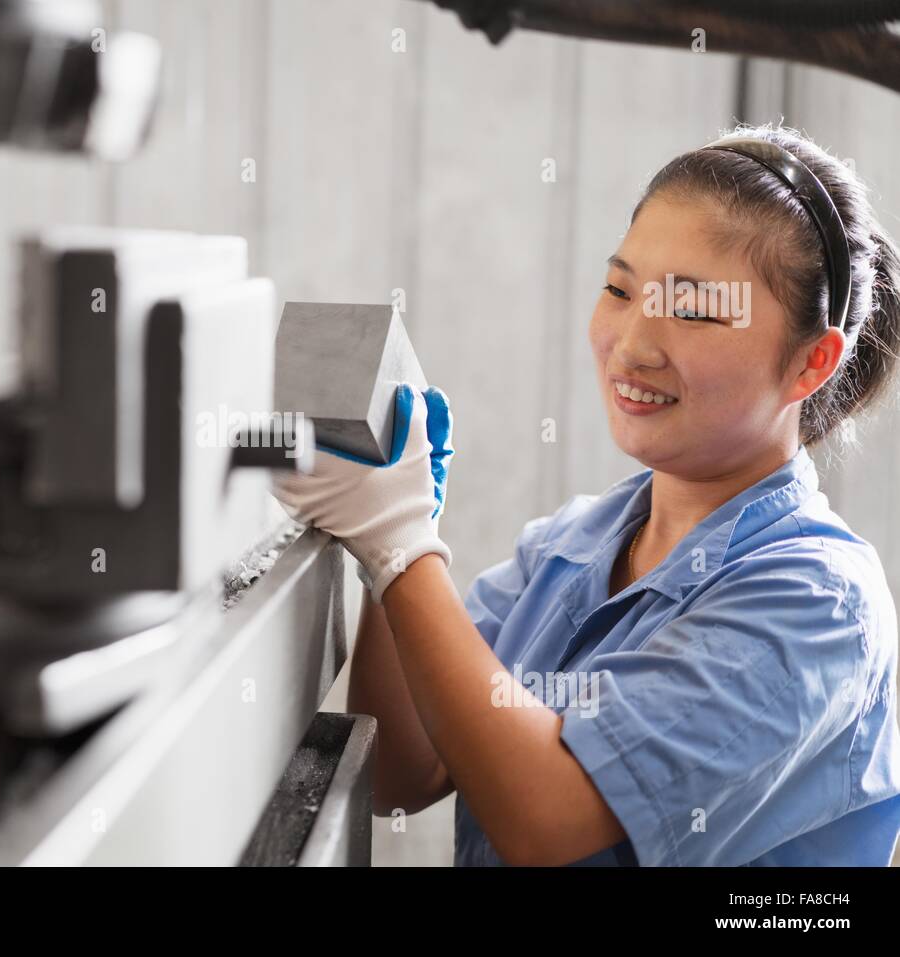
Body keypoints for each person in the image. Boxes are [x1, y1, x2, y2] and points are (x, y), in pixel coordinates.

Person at [274, 124, 900, 866]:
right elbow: (403, 774)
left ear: (810, 363)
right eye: (619, 289)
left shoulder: (817, 603)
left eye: (694, 309)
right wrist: (390, 548)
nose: (632, 343)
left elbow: (545, 818)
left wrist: (402, 543)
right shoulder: (570, 546)